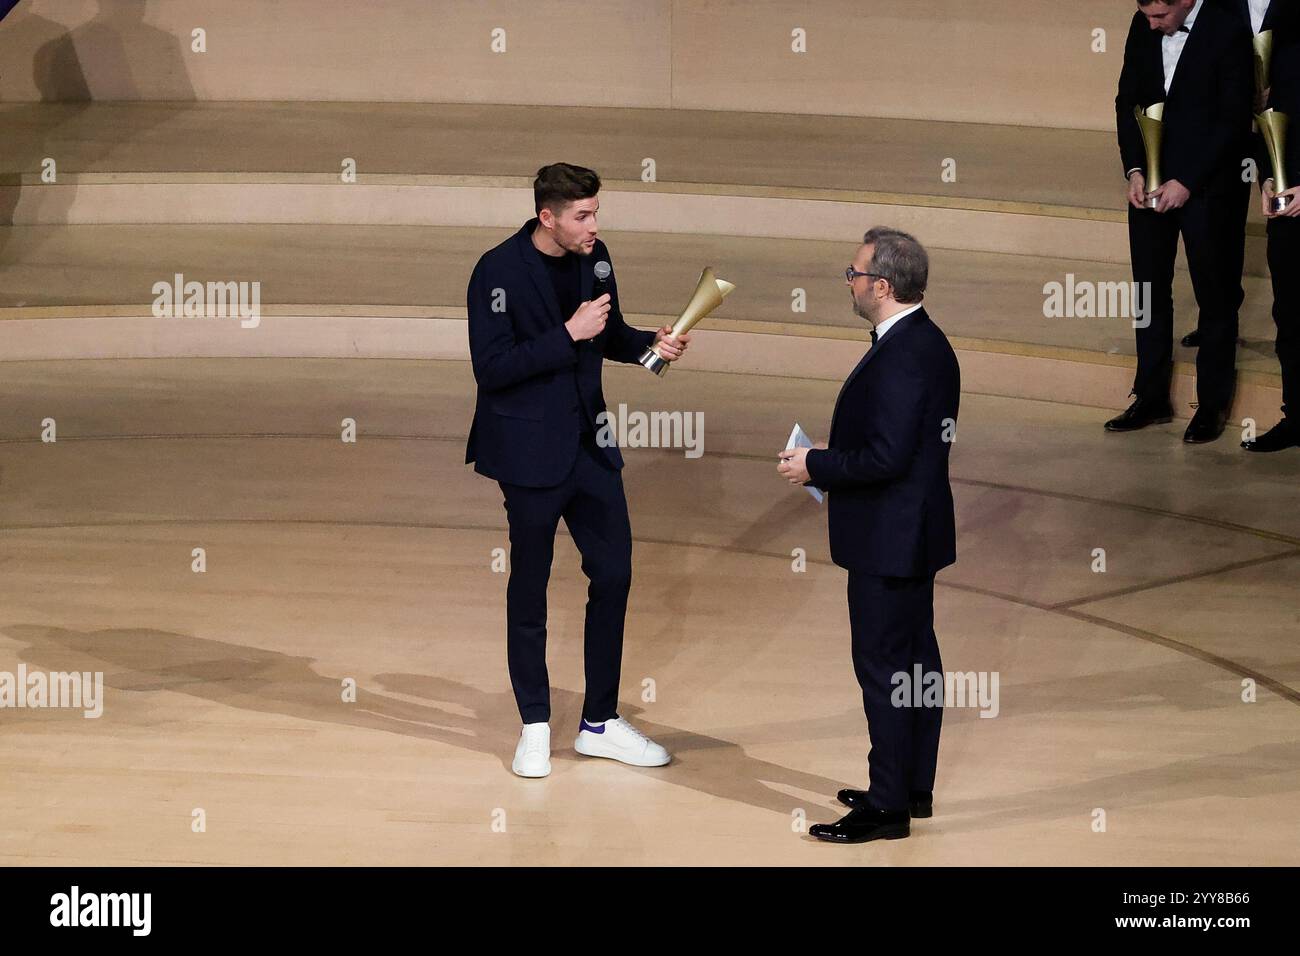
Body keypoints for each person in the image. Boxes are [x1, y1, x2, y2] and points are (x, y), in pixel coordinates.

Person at [465, 163, 690, 777]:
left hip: (590, 447)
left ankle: (599, 721)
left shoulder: (596, 257)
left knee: (614, 572)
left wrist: (650, 343)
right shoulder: (497, 272)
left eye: (597, 212)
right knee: (530, 589)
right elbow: (493, 369)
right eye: (583, 215)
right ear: (548, 217)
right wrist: (568, 332)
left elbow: (608, 334)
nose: (595, 225)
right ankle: (535, 724)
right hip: (528, 455)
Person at [778, 228, 960, 844]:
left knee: (884, 668)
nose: (850, 282)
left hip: (890, 540)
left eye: (854, 274)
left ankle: (887, 807)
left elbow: (885, 459)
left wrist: (816, 465)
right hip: (913, 533)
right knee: (915, 664)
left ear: (881, 286)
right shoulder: (926, 341)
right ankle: (910, 785)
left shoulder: (904, 354)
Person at [1109, 0, 1253, 442]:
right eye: (1147, 16)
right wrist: (1134, 169)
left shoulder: (1228, 28)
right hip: (1150, 184)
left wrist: (1187, 180)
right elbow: (1126, 100)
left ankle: (1211, 404)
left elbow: (1232, 119)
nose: (1151, 26)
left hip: (1208, 189)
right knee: (1149, 293)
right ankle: (1150, 395)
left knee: (1214, 295)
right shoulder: (1142, 24)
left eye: (1160, 17)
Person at [1250, 25, 1300, 451]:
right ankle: (1296, 415)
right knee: (1291, 317)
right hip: (1289, 216)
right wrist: (1267, 179)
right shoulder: (1286, 55)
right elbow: (1270, 126)